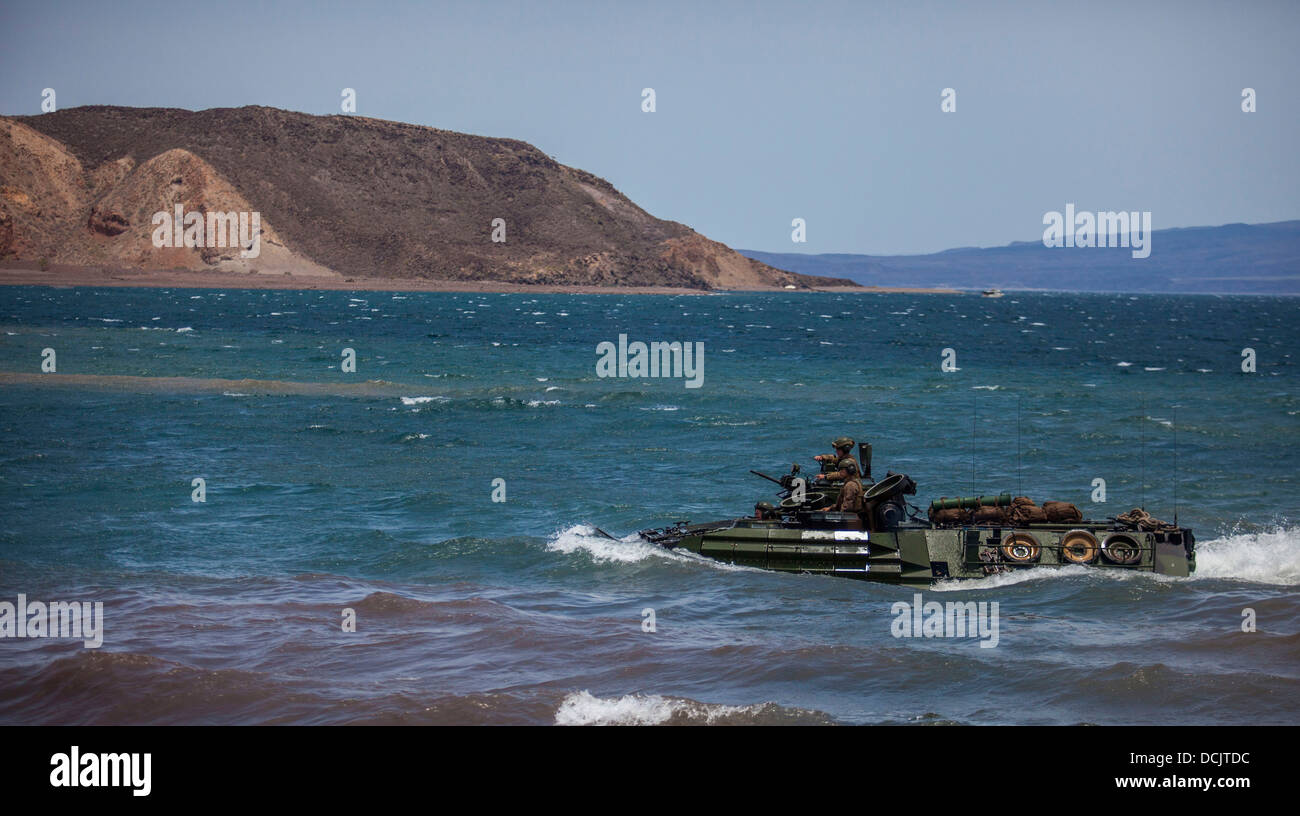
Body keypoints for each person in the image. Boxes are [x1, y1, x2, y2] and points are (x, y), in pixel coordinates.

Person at [815, 437, 865, 513]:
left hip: (852, 487)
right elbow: (834, 459)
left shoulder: (850, 462)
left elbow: (840, 474)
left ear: (844, 450)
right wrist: (823, 457)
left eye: (838, 449)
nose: (836, 451)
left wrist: (825, 476)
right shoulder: (844, 458)